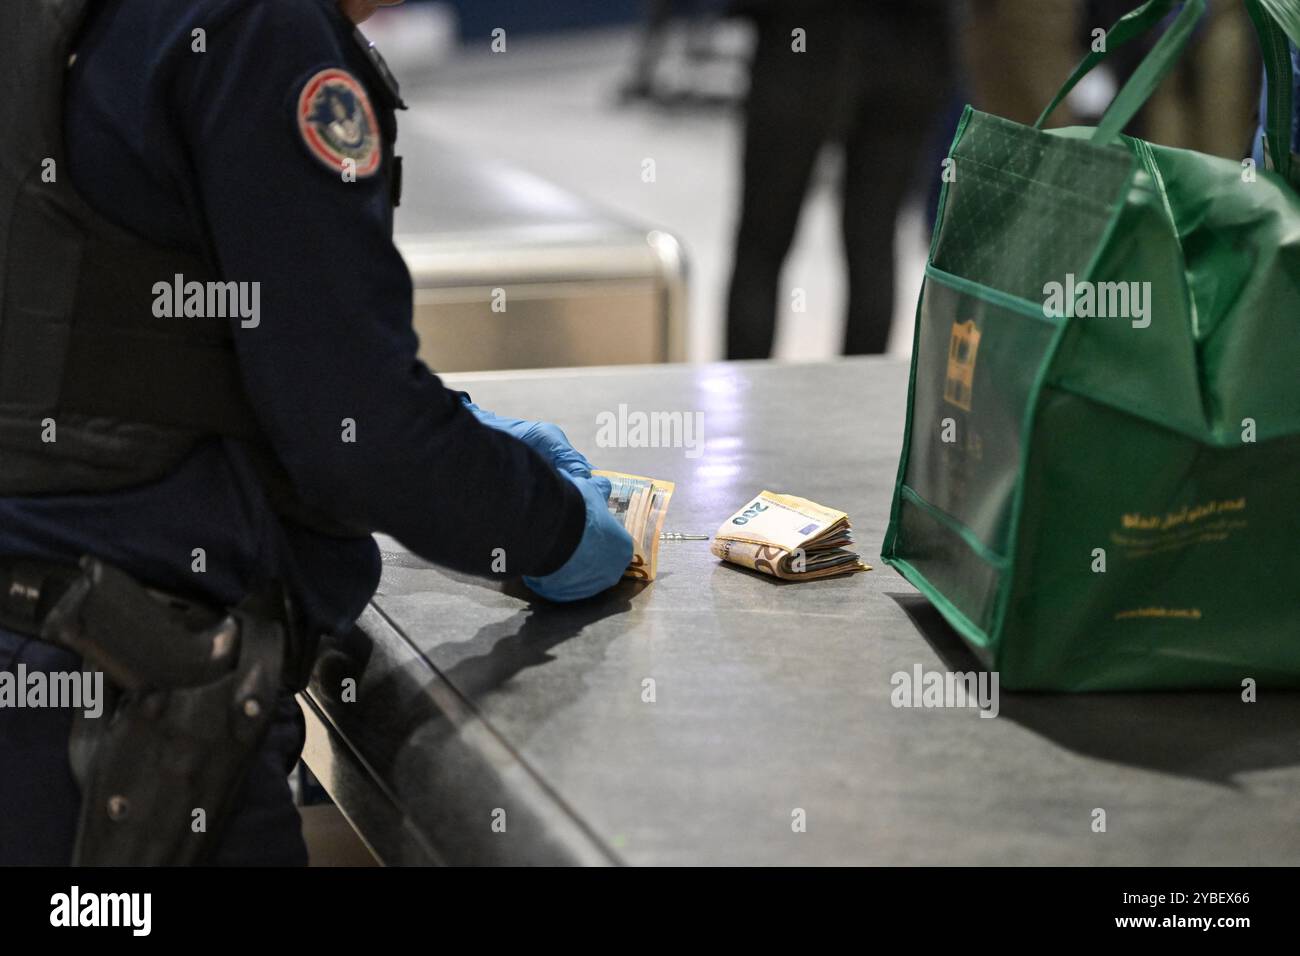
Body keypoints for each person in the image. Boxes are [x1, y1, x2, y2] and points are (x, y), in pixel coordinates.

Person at [0, 0, 632, 866]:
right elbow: (366, 443)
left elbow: (106, 312)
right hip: (120, 713)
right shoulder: (263, 27)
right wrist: (553, 528)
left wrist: (431, 419)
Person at [724, 0, 953, 359]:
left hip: (802, 40)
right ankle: (857, 400)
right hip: (907, 47)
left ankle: (744, 398)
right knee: (874, 242)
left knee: (762, 247)